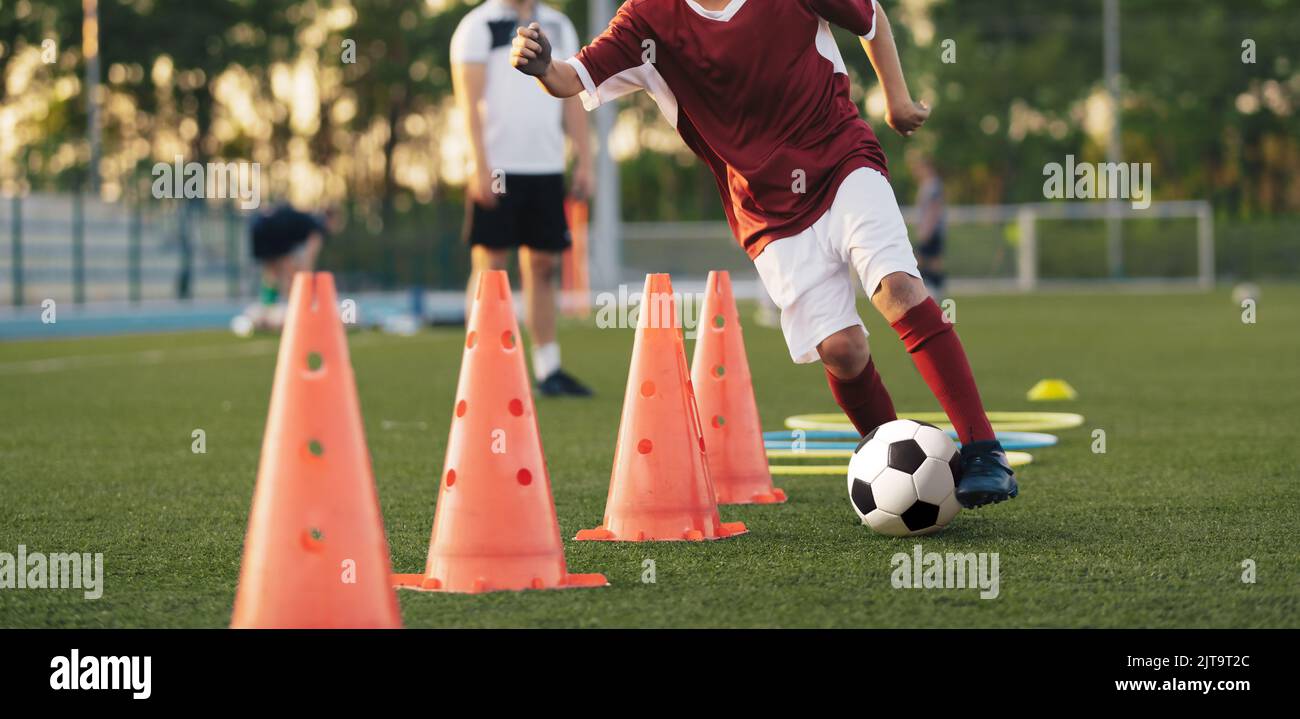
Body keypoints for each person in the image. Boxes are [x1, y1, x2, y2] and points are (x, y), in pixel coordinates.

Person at [509, 0, 1016, 507]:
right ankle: (899, 473)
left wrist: (897, 99)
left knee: (898, 290)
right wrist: (541, 67)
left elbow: (872, 16)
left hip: (843, 157)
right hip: (764, 209)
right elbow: (568, 77)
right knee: (842, 350)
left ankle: (983, 451)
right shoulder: (646, 17)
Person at [452, 0, 594, 397]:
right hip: (496, 168)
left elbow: (573, 96)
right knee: (490, 265)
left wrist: (585, 160)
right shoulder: (477, 27)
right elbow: (468, 104)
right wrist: (478, 164)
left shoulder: (559, 26)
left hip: (546, 166)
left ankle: (549, 368)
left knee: (544, 264)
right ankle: (482, 370)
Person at [245, 203, 334, 331]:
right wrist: (305, 282)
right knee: (289, 272)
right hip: (275, 228)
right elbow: (308, 260)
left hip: (258, 225)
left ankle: (268, 307)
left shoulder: (307, 219)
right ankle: (295, 307)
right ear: (331, 219)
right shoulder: (318, 227)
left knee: (272, 272)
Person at [907, 151, 947, 297]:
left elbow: (934, 209)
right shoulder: (926, 185)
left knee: (927, 260)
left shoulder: (933, 185)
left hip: (932, 230)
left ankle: (934, 290)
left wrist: (926, 230)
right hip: (929, 229)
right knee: (930, 260)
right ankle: (934, 290)